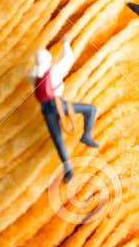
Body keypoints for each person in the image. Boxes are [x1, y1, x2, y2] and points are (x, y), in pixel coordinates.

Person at [29, 40, 99, 182]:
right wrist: (66, 43)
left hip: (46, 111)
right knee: (91, 109)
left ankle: (69, 170)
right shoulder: (53, 71)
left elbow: (31, 74)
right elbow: (68, 58)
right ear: (48, 59)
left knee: (58, 140)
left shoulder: (34, 77)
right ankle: (86, 135)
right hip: (59, 105)